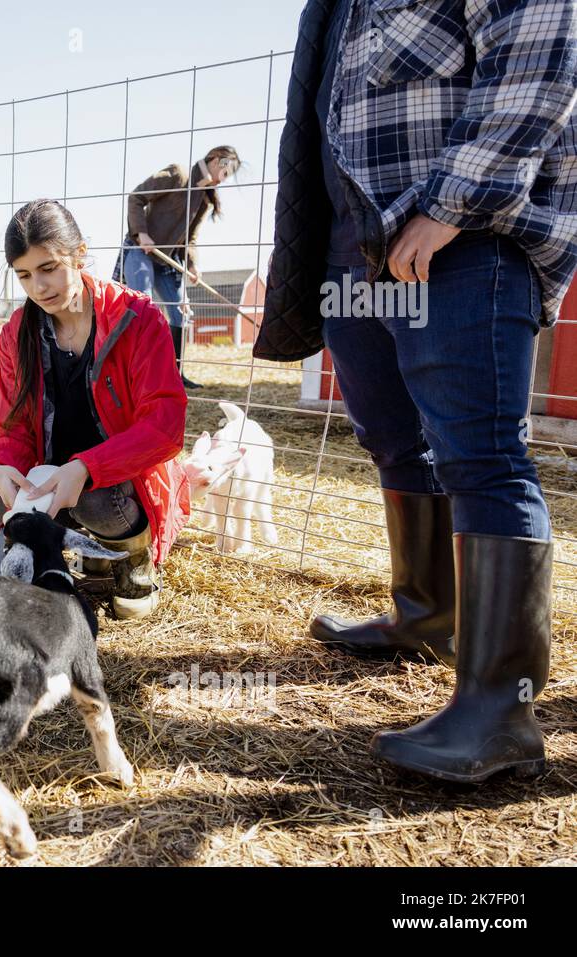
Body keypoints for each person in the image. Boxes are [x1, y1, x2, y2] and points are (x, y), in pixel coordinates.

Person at [254, 0, 577, 782]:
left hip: (462, 233)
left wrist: (449, 204)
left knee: (481, 454)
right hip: (351, 245)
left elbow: (538, 52)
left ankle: (502, 708)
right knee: (393, 437)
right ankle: (427, 614)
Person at [0, 199, 190, 619]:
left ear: (80, 254)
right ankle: (80, 552)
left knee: (95, 500)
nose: (39, 288)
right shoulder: (17, 333)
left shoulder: (137, 319)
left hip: (119, 479)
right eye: (24, 275)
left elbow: (165, 427)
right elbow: (12, 427)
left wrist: (86, 468)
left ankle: (134, 558)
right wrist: (2, 467)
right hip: (53, 475)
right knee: (2, 567)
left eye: (48, 268)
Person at [116, 145, 241, 390]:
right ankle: (139, 375)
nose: (226, 177)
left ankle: (175, 375)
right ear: (215, 160)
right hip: (140, 250)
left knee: (180, 313)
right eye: (227, 169)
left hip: (166, 260)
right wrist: (141, 233)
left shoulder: (205, 198)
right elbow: (136, 197)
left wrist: (193, 265)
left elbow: (190, 239)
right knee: (143, 305)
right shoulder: (178, 174)